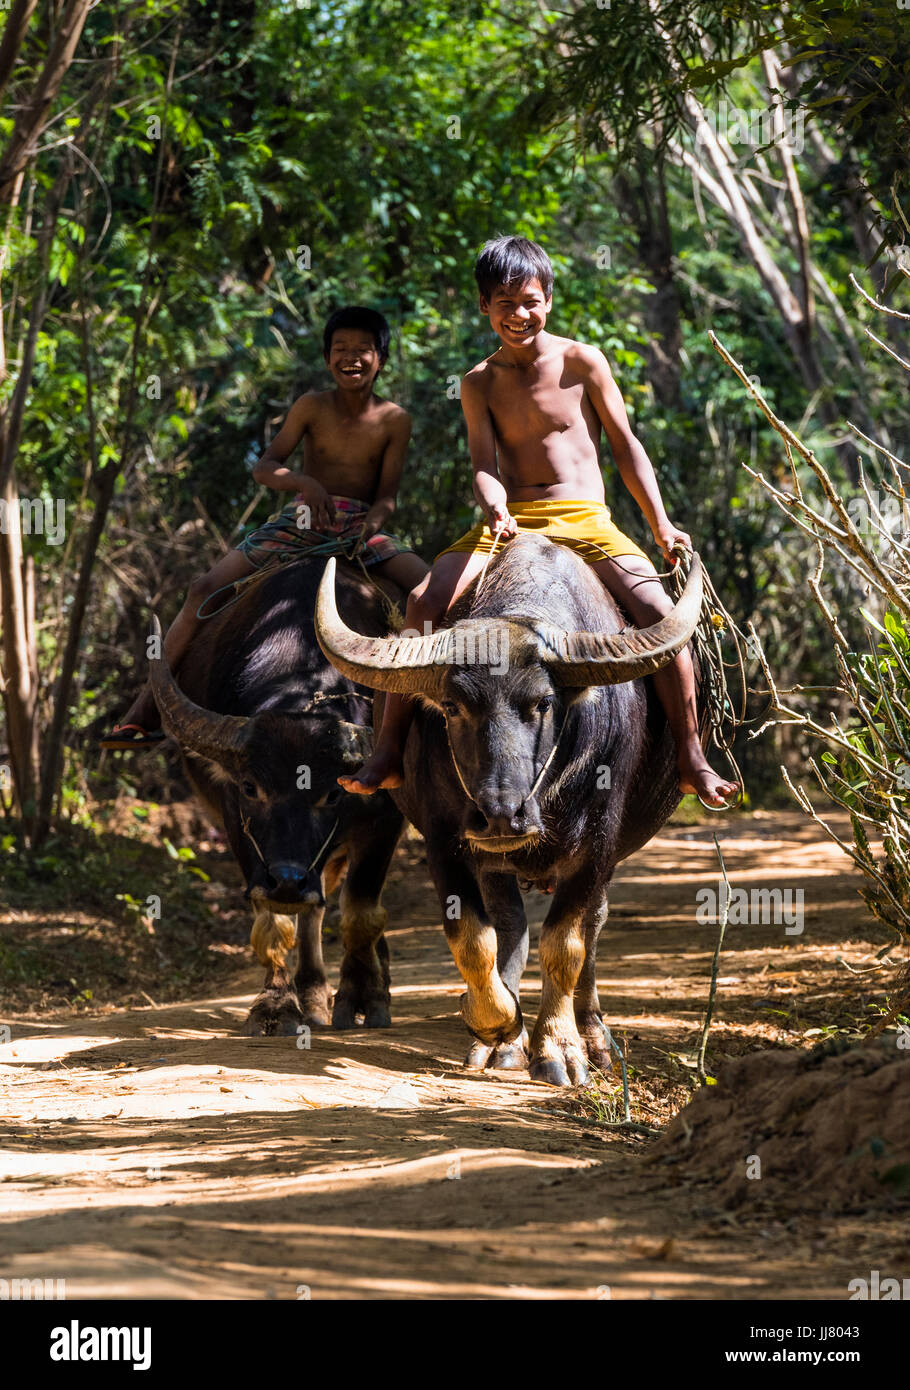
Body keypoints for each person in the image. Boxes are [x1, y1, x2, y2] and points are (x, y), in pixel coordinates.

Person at [340, 238, 737, 807]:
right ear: (484, 306)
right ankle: (388, 750)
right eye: (504, 301)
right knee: (424, 604)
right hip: (511, 523)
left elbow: (626, 447)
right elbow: (484, 467)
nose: (518, 314)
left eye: (529, 300)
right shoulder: (478, 383)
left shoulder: (582, 361)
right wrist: (495, 505)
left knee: (659, 617)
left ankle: (691, 755)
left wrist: (661, 525)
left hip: (587, 521)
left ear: (548, 299)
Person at [101, 306, 428, 748]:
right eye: (341, 349)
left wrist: (373, 521)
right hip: (302, 519)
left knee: (430, 592)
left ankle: (443, 719)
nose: (352, 357)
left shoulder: (395, 419)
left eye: (363, 350)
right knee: (203, 588)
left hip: (359, 528)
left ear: (381, 358)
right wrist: (304, 483)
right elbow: (265, 467)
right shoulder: (311, 406)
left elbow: (387, 494)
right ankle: (144, 709)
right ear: (327, 357)